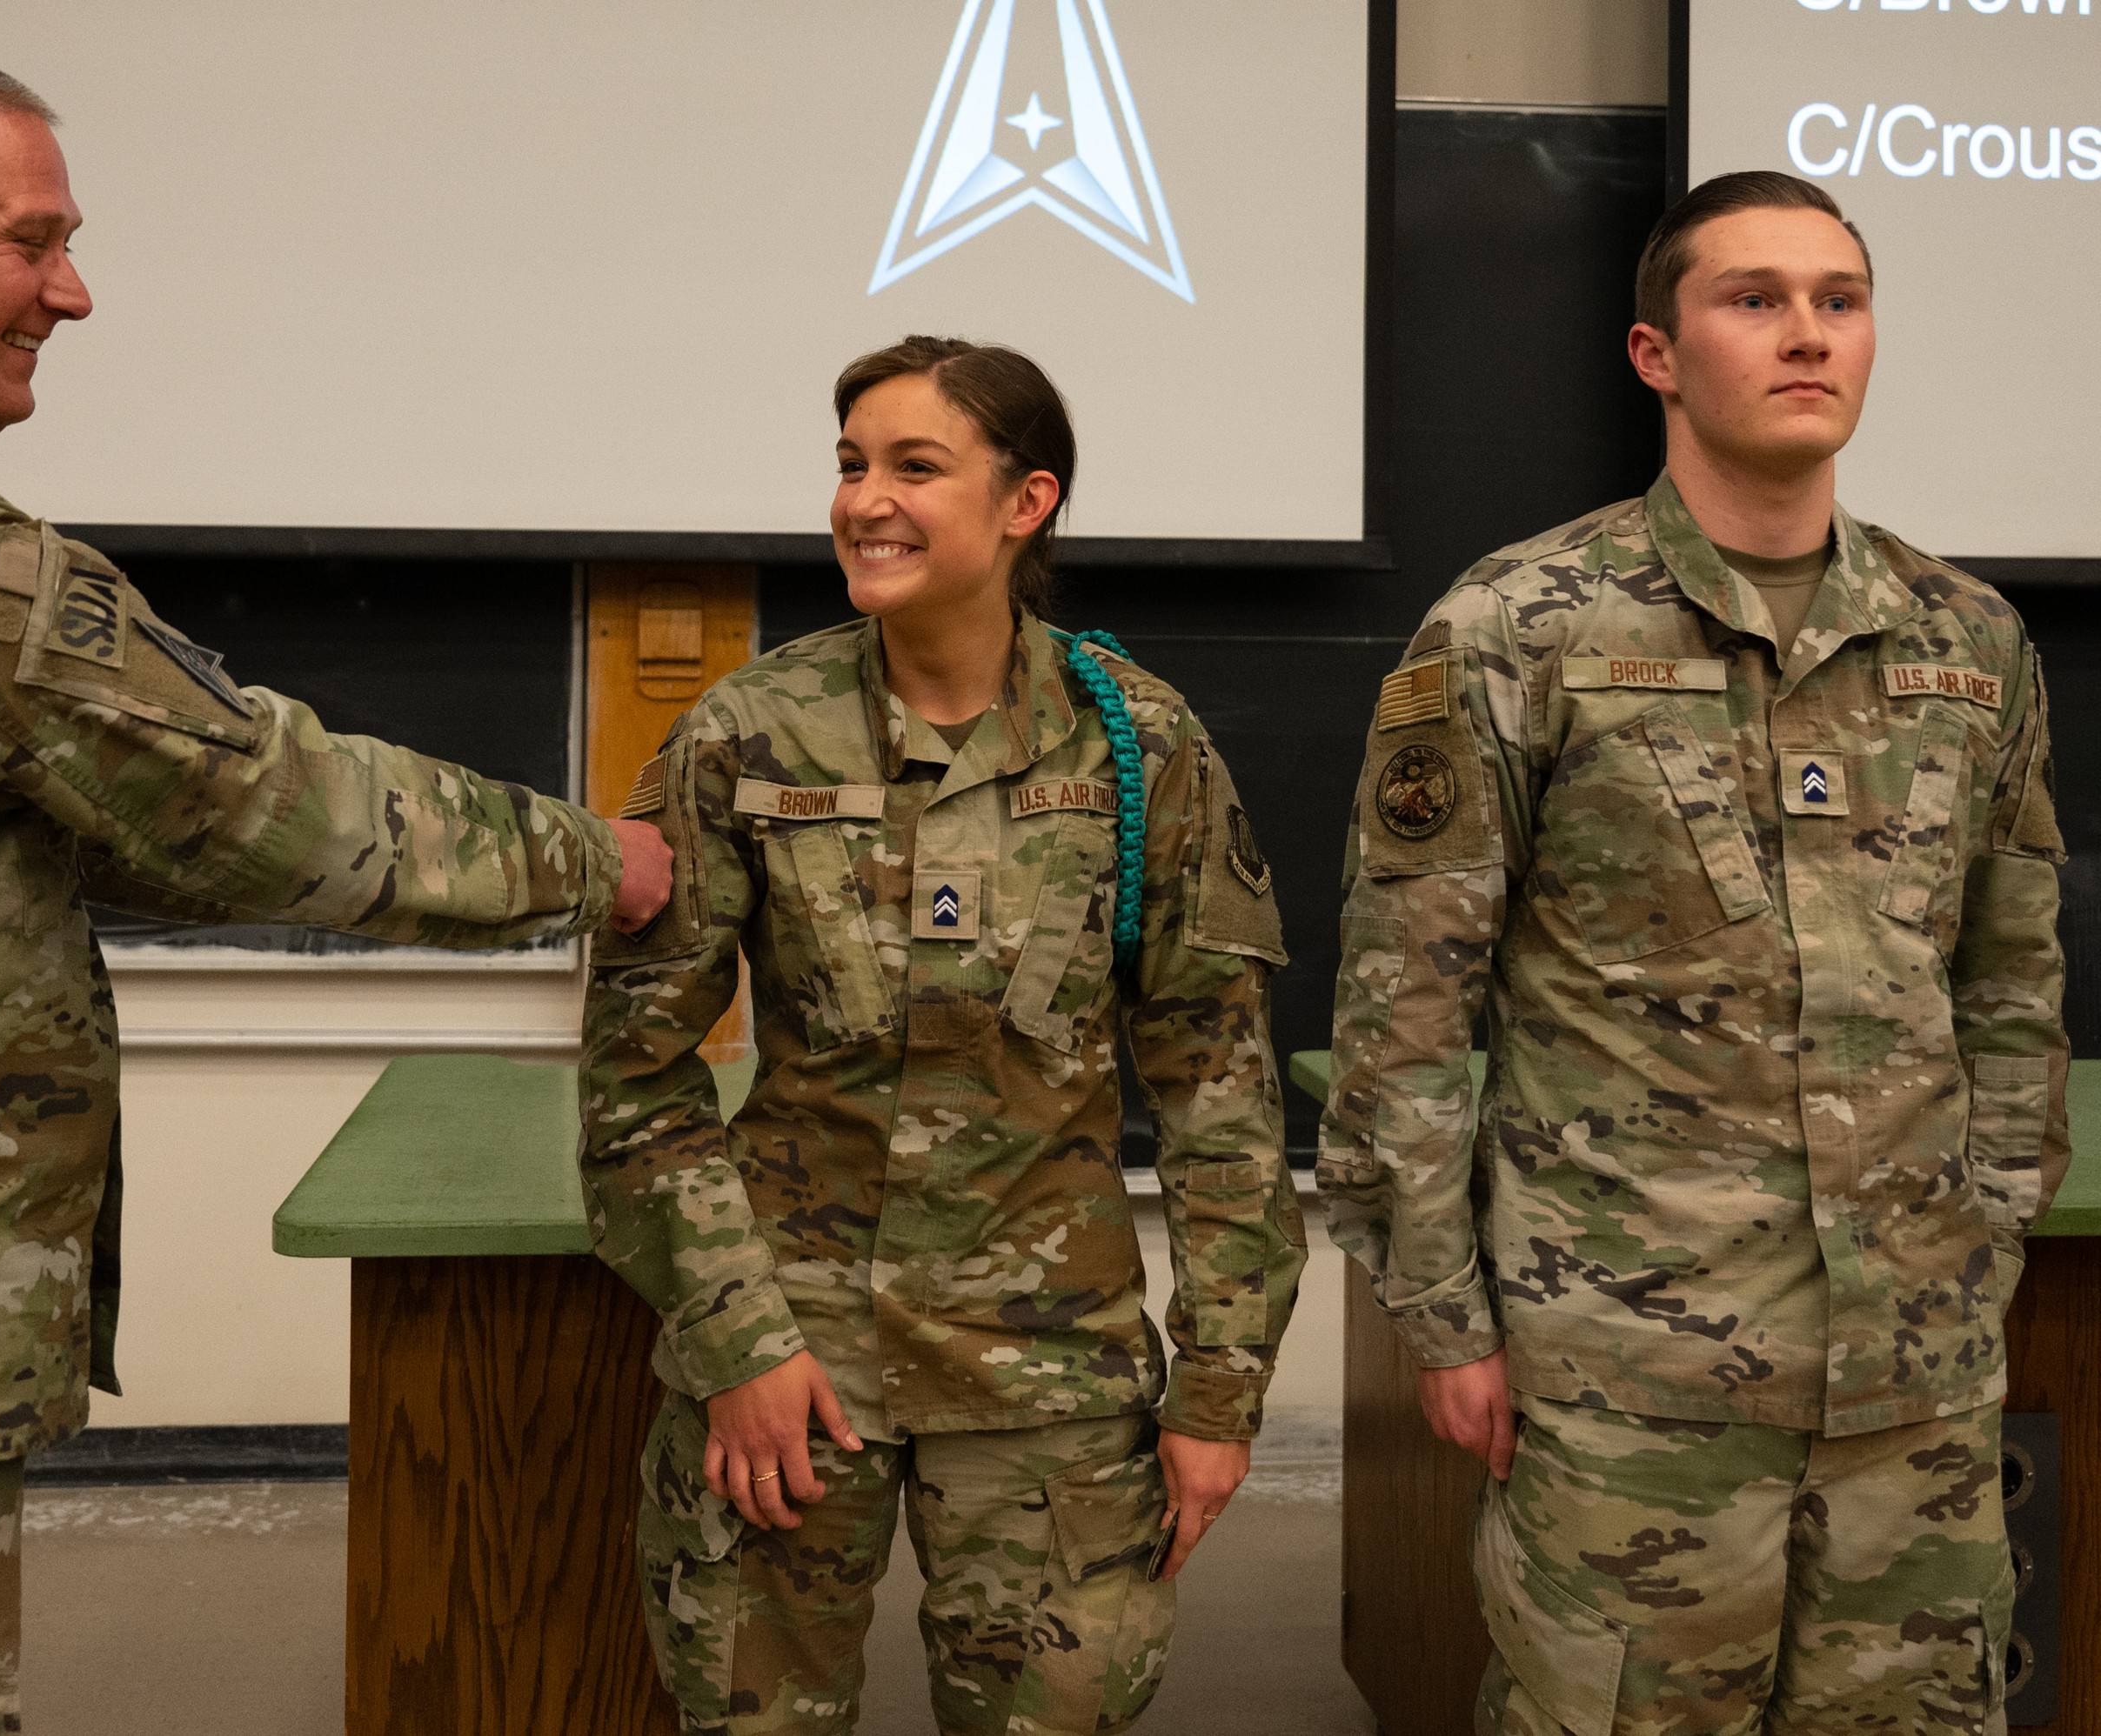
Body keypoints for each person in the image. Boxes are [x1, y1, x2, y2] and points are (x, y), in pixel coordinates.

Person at [0, 43, 671, 1733]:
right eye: (30, 241)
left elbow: (123, 827)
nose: (71, 292)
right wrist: (610, 863)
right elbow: (259, 802)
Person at [1319, 170, 2071, 1733]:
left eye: (1839, 302)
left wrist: (1987, 1231)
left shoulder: (1968, 639)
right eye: (1756, 301)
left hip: (1912, 1385)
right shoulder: (1517, 630)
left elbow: (2011, 977)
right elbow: (1409, 1004)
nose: (1808, 335)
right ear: (1657, 353)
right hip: (1629, 1379)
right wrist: (1448, 1320)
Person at [582, 336, 1302, 1735]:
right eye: (851, 466)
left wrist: (1219, 1388)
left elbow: (1220, 1093)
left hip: (1051, 1389)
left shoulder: (1139, 748)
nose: (865, 500)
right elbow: (636, 1076)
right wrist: (735, 1339)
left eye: (916, 466)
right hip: (793, 1368)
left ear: (1026, 503)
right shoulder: (749, 735)